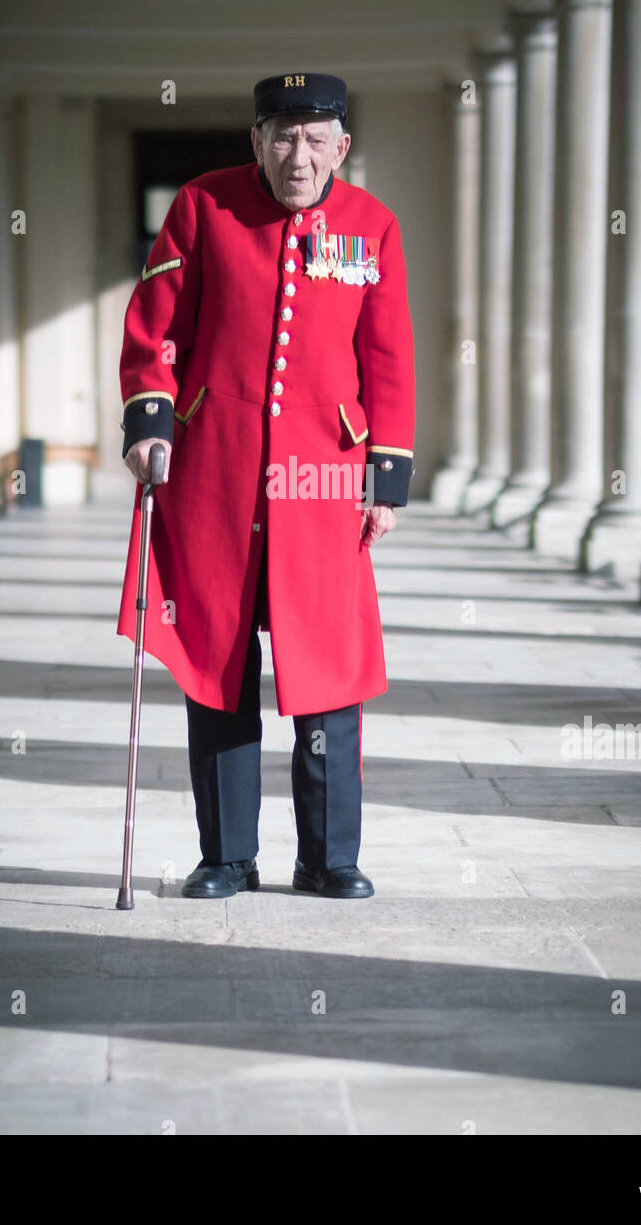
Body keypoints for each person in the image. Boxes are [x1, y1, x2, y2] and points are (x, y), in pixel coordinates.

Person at [117, 72, 415, 899]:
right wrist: (149, 423)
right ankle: (227, 857)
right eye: (282, 136)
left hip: (324, 482)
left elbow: (386, 356)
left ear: (340, 148)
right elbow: (156, 323)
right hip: (213, 476)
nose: (298, 155)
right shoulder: (202, 208)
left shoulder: (371, 227)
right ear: (255, 141)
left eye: (316, 139)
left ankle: (328, 857)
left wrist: (385, 476)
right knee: (215, 666)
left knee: (328, 671)